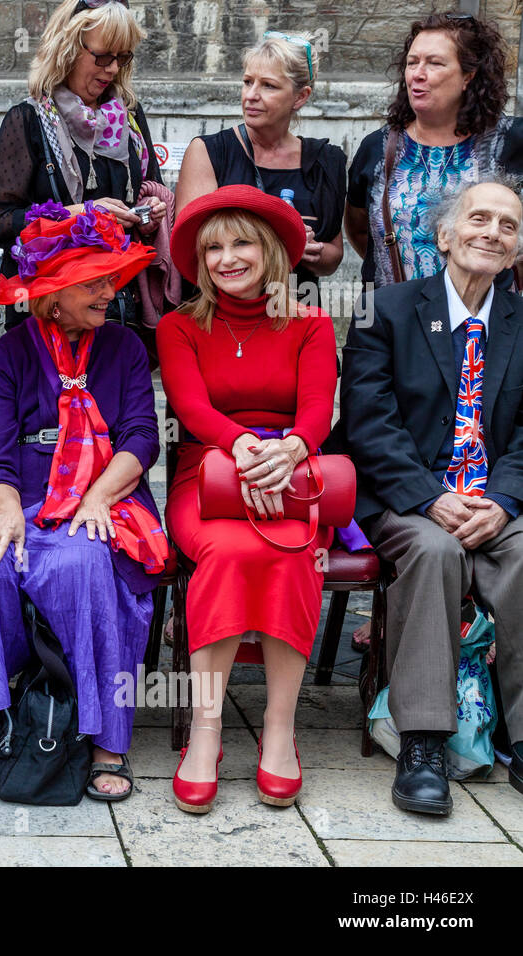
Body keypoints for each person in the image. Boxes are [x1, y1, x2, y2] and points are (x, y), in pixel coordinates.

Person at [0, 202, 165, 800]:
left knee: (83, 562)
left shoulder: (126, 348)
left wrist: (98, 497)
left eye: (111, 279)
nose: (111, 292)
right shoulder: (9, 354)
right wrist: (5, 510)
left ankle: (106, 734)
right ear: (53, 297)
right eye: (95, 283)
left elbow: (141, 436)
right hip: (21, 497)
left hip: (109, 496)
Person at [342, 178, 523, 814]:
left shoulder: (521, 320)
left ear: (517, 248)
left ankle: (520, 736)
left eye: (508, 225)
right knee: (435, 550)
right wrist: (429, 498)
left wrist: (502, 499)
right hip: (406, 496)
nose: (492, 232)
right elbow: (368, 419)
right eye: (479, 218)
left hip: (491, 498)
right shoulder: (389, 307)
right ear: (445, 236)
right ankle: (423, 738)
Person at [157, 184, 338, 813]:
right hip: (207, 471)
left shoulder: (310, 322)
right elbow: (191, 407)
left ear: (269, 251)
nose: (227, 258)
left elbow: (317, 408)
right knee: (229, 553)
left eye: (240, 243)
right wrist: (241, 449)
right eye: (212, 249)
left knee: (292, 554)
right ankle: (206, 733)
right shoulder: (180, 325)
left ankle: (279, 731)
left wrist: (288, 451)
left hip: (291, 470)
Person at [0, 0, 166, 331]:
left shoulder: (131, 117)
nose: (112, 69)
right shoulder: (27, 119)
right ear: (67, 48)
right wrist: (79, 212)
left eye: (122, 57)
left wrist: (151, 208)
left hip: (118, 307)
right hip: (48, 307)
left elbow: (150, 186)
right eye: (103, 56)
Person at [345, 12, 523, 288]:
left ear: (468, 76)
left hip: (486, 323)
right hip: (394, 321)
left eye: (435, 63)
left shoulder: (512, 141)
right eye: (412, 63)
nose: (417, 74)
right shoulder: (377, 148)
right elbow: (359, 229)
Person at [175, 32, 346, 296]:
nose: (251, 95)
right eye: (247, 82)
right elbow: (190, 247)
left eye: (269, 85)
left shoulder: (326, 160)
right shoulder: (209, 152)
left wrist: (312, 250)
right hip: (221, 315)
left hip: (295, 312)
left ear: (300, 97)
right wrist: (284, 242)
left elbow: (333, 258)